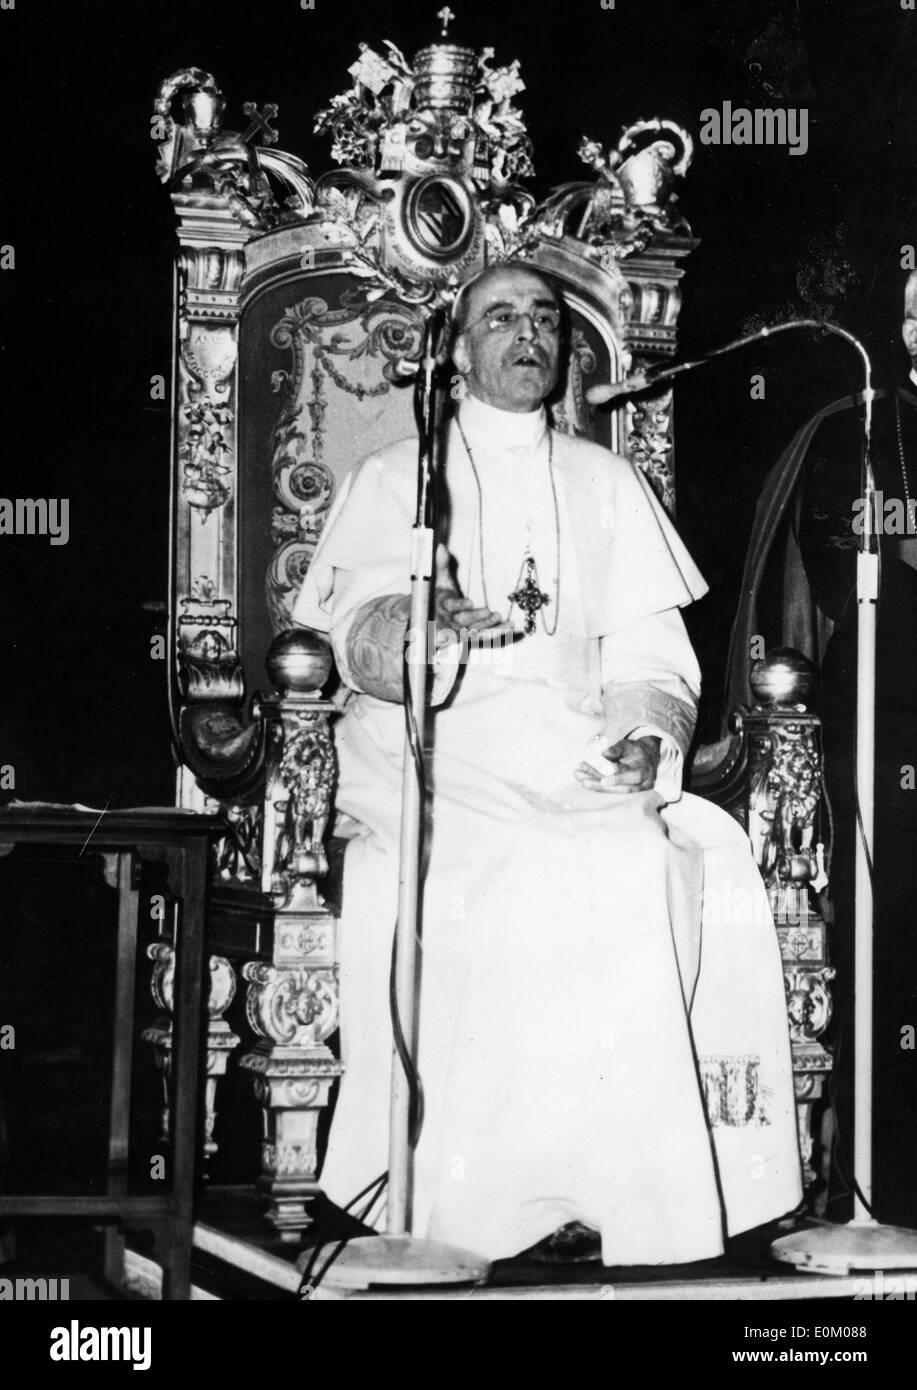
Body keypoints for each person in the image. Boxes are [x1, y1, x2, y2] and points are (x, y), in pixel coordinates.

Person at [293, 261, 802, 1265]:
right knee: (510, 874)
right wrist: (413, 621)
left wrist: (642, 738)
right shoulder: (398, 479)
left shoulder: (603, 480)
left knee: (641, 862)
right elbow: (340, 640)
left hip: (567, 752)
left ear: (565, 349)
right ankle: (482, 1204)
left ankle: (622, 1197)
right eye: (499, 317)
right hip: (430, 748)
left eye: (543, 318)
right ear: (454, 351)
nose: (526, 333)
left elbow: (654, 654)